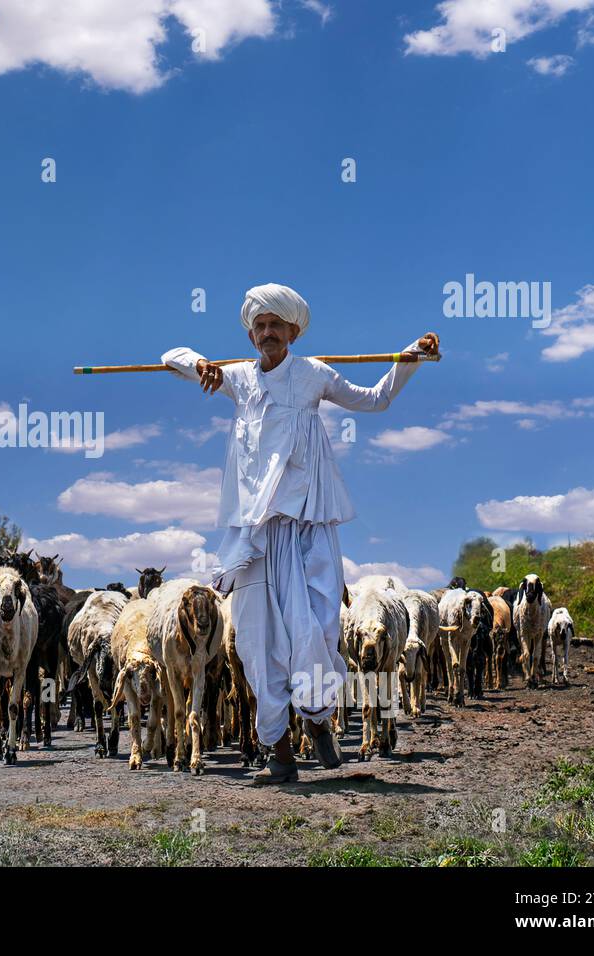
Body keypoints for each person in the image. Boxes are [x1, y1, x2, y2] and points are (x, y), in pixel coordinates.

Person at [162, 283, 438, 783]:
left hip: (308, 526)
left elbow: (374, 401)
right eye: (259, 326)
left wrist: (412, 357)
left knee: (315, 629)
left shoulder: (314, 376)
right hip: (253, 535)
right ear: (251, 334)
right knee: (255, 642)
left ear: (293, 331)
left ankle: (318, 721)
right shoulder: (238, 379)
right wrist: (197, 362)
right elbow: (171, 354)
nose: (268, 332)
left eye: (276, 325)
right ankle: (280, 753)